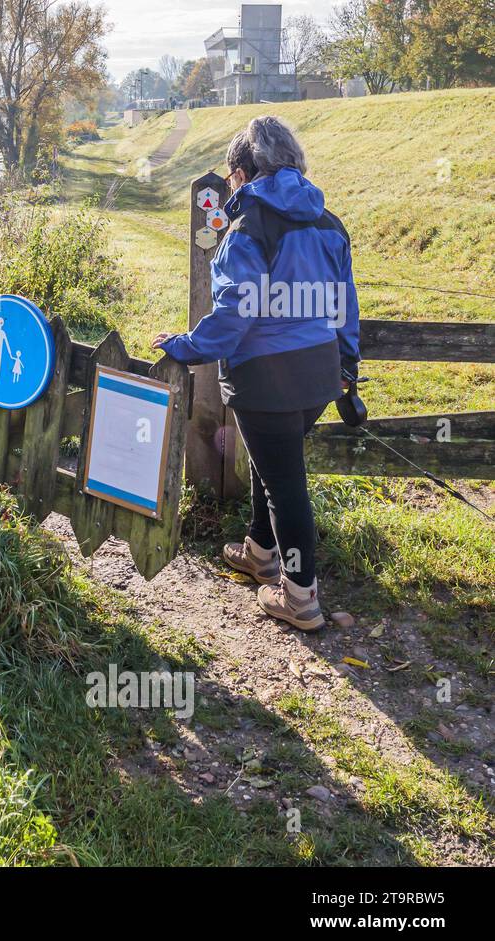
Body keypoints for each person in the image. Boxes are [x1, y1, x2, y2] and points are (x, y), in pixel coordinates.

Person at [152, 116, 360, 632]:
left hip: (263, 380)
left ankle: (300, 597)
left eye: (230, 177)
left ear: (242, 173)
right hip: (319, 376)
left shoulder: (249, 227)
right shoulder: (328, 223)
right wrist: (347, 367)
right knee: (274, 465)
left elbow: (235, 313)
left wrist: (186, 346)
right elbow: (344, 306)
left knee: (285, 483)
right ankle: (260, 552)